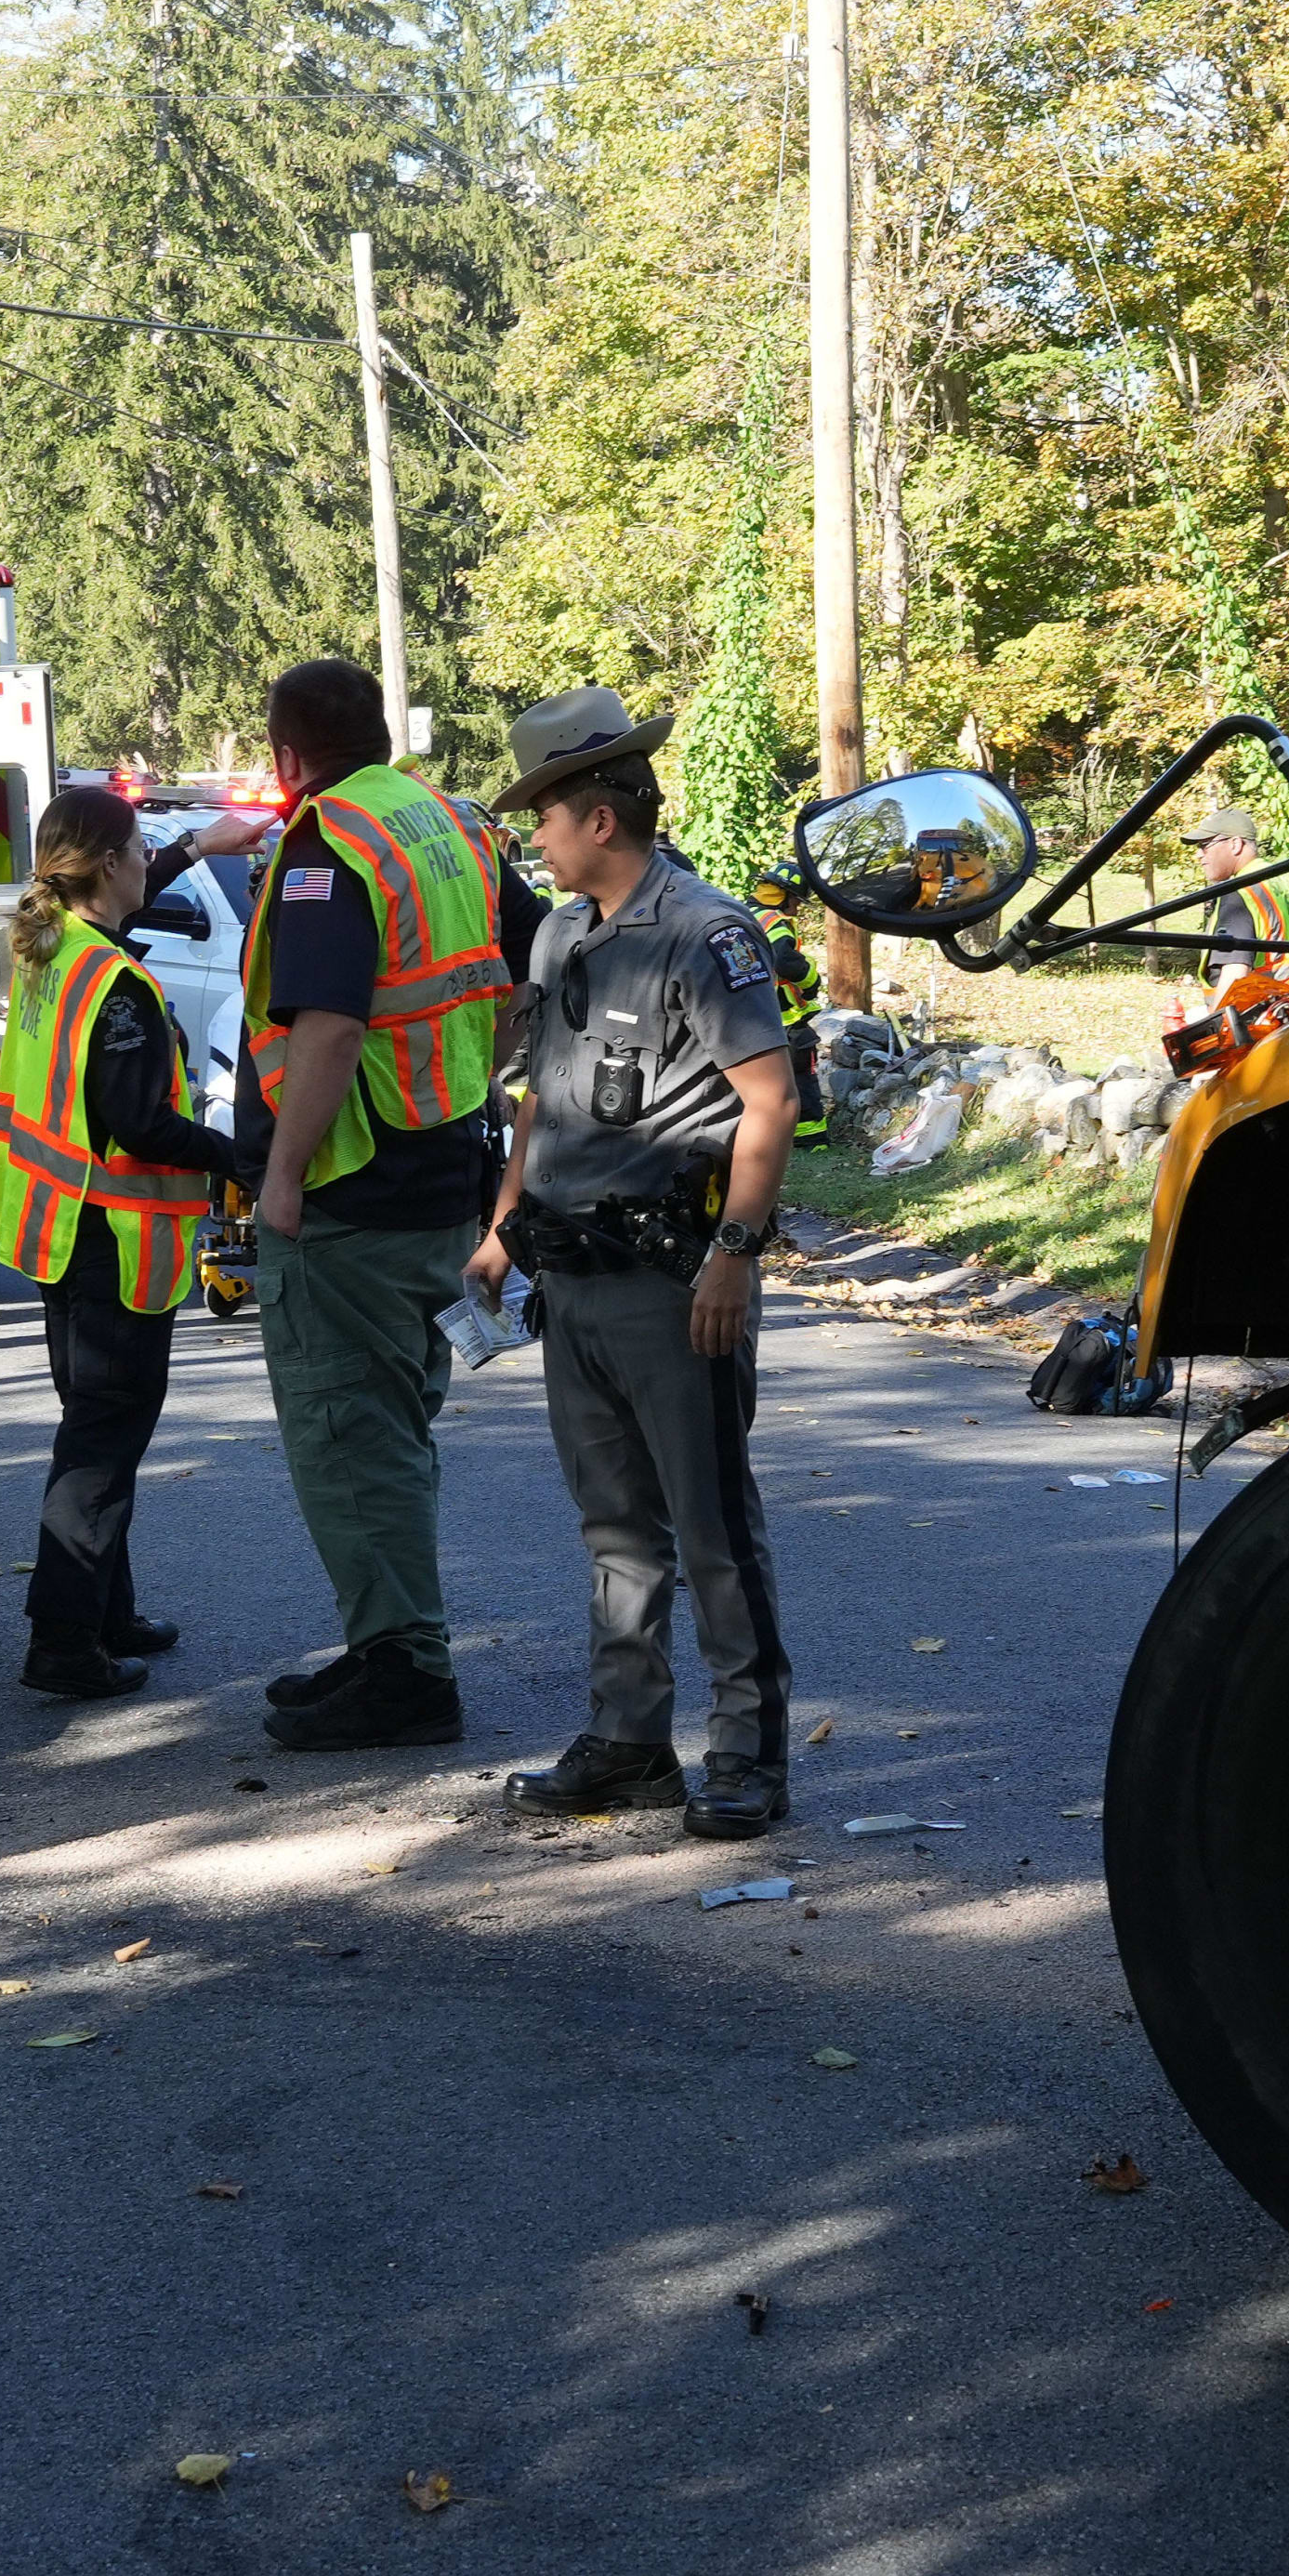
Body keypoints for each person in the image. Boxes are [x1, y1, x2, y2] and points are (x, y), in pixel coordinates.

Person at [470, 690, 802, 1840]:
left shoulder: (705, 934)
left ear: (598, 819)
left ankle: (750, 1752)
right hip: (575, 1278)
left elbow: (771, 1103)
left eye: (542, 820)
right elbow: (538, 1098)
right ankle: (630, 1741)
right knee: (612, 1525)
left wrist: (732, 1259)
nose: (534, 841)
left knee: (710, 1523)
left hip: (675, 1280)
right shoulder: (560, 933)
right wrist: (505, 1224)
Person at [241, 657, 545, 1755]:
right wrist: (492, 1072)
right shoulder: (445, 821)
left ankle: (408, 1673)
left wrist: (281, 1178)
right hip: (437, 1171)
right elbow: (530, 963)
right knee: (391, 1430)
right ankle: (386, 1644)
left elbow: (326, 1029)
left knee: (350, 1437)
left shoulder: (331, 844)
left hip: (349, 1191)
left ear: (287, 755)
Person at [0, 785, 243, 1700]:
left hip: (61, 1231)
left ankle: (103, 1610)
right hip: (115, 1243)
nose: (149, 861)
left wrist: (200, 845)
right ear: (105, 866)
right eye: (141, 850)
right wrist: (245, 1152)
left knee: (98, 1435)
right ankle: (62, 1644)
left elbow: (123, 894)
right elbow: (142, 1125)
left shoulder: (56, 948)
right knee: (99, 1445)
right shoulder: (115, 982)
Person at [1182, 804, 1289, 1002]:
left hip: (1258, 1022)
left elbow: (1235, 975)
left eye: (1204, 845)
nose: (1199, 855)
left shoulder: (1241, 892)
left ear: (1235, 844)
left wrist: (1217, 1026)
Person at [746, 863, 832, 1148]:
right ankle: (811, 1139)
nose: (797, 907)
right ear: (783, 895)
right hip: (785, 1017)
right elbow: (785, 962)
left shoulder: (744, 913)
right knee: (802, 1076)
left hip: (753, 1016)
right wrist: (811, 979)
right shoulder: (774, 922)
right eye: (796, 900)